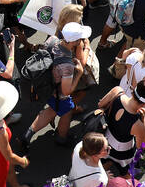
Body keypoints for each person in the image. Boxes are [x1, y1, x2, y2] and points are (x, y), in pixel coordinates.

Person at [18, 21, 91, 153]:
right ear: (74, 41)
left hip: (45, 86)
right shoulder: (67, 66)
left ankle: (27, 135)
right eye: (79, 39)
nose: (81, 41)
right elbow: (66, 91)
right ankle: (61, 138)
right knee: (67, 111)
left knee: (52, 110)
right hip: (58, 93)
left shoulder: (52, 39)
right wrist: (79, 73)